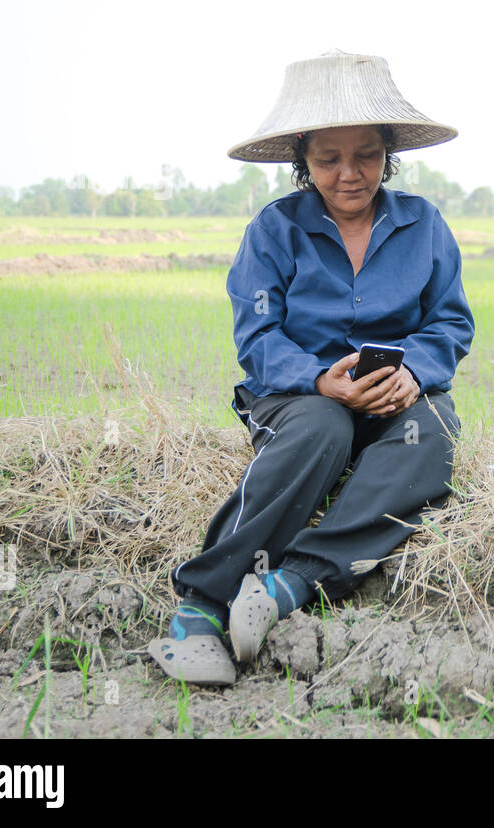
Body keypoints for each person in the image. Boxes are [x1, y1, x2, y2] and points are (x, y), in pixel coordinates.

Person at [148, 51, 474, 686]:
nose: (350, 174)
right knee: (324, 426)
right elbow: (258, 336)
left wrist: (415, 371)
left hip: (393, 397)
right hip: (300, 398)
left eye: (367, 155)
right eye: (329, 158)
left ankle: (289, 583)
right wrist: (319, 380)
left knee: (432, 431)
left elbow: (450, 323)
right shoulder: (274, 231)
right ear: (303, 157)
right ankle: (201, 608)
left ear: (389, 152)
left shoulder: (424, 226)